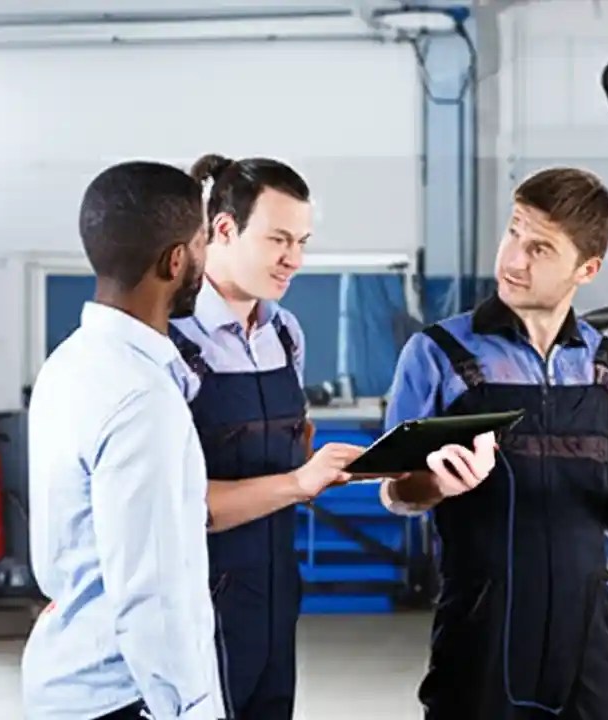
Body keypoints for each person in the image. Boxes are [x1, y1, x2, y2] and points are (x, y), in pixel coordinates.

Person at [168, 153, 483, 719]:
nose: (295, 259)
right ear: (222, 228)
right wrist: (297, 479)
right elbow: (178, 506)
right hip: (190, 599)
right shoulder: (169, 337)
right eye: (279, 239)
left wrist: (366, 464)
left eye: (303, 242)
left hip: (273, 591)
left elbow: (286, 447)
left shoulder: (284, 333)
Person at [379, 166, 608, 720]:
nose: (513, 259)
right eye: (513, 233)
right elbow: (393, 492)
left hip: (584, 636)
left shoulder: (604, 366)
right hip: (482, 628)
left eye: (540, 249)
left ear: (587, 268)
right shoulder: (440, 355)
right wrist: (432, 483)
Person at [22, 161, 222, 719]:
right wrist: (188, 707)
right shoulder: (142, 400)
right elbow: (151, 593)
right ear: (175, 260)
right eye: (202, 242)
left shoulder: (68, 364)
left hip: (70, 680)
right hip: (125, 698)